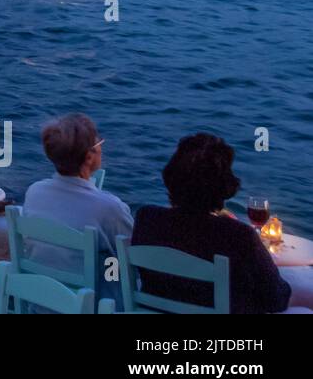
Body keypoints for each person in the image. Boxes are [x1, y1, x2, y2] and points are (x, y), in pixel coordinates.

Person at [131, 134, 296, 314]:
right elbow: (276, 300)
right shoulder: (238, 236)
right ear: (224, 184)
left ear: (172, 176)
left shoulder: (147, 218)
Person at [22, 114, 133, 307]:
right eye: (100, 143)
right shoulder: (109, 208)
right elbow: (133, 257)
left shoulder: (34, 192)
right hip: (91, 305)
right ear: (89, 157)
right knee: (116, 264)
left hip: (41, 303)